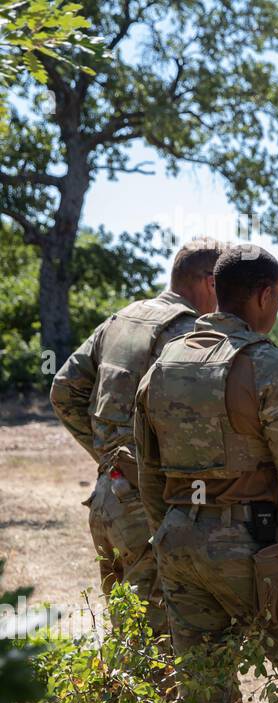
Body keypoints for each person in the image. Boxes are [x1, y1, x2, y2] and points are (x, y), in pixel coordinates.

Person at [134, 244, 278, 703]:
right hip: (256, 552)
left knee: (203, 690)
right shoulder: (268, 365)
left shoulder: (162, 365)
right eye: (277, 298)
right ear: (264, 295)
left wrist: (172, 533)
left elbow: (148, 473)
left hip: (179, 544)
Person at [50, 239, 221, 637]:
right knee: (160, 647)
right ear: (211, 283)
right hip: (150, 508)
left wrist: (108, 454)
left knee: (130, 637)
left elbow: (63, 390)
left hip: (108, 501)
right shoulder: (187, 331)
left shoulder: (121, 319)